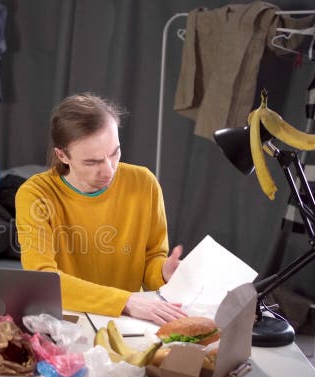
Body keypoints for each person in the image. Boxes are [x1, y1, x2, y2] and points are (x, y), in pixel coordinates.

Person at [15, 93, 186, 325]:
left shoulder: (144, 183)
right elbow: (45, 280)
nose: (108, 170)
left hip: (130, 321)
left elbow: (151, 258)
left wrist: (164, 273)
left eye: (114, 153)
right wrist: (124, 301)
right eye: (92, 162)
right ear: (62, 155)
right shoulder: (35, 195)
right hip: (68, 323)